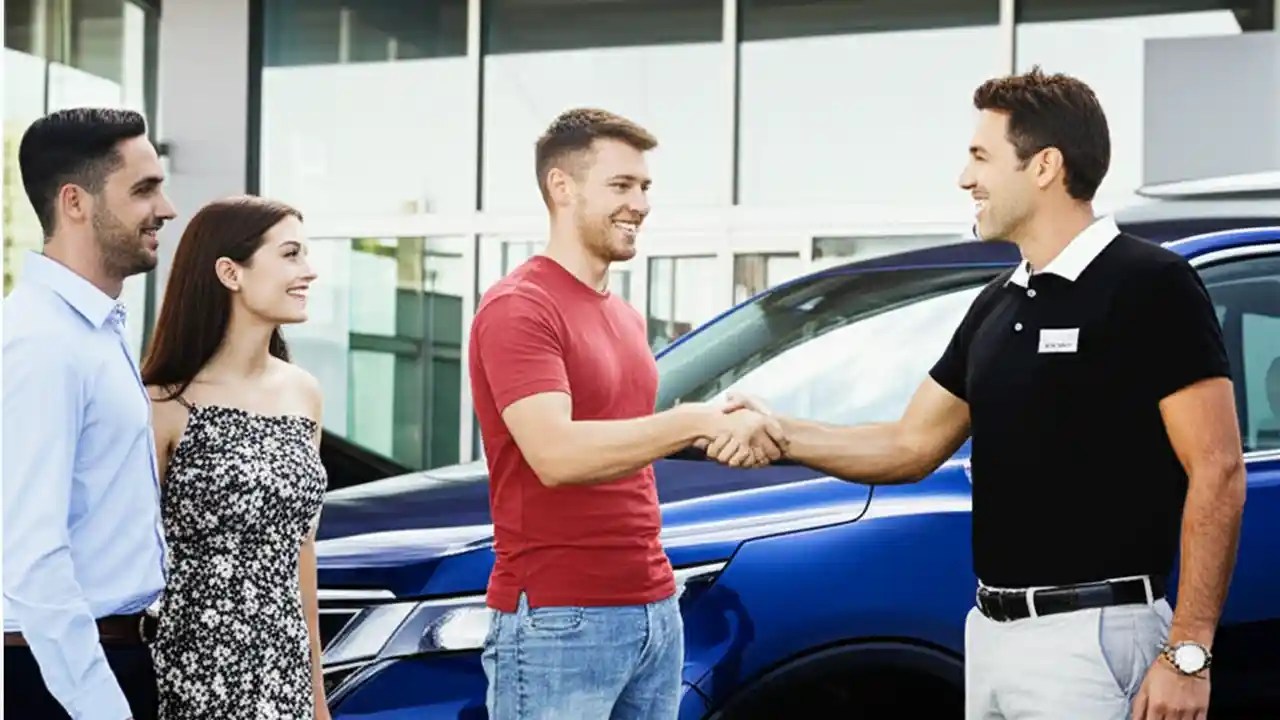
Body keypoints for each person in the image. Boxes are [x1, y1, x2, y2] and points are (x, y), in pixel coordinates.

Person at [713, 68, 1246, 720]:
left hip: (1093, 639)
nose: (965, 179)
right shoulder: (997, 304)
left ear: (1044, 166)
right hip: (989, 636)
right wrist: (778, 434)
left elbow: (1217, 469)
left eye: (980, 157)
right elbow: (909, 444)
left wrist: (1188, 652)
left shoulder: (1150, 283)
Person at [467, 107, 784, 719]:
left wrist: (721, 423)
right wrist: (691, 420)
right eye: (621, 186)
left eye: (644, 188)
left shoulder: (623, 315)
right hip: (560, 621)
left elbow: (626, 440)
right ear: (562, 187)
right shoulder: (520, 307)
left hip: (654, 605)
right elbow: (555, 455)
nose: (639, 204)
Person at [3, 107, 175, 720]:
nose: (167, 208)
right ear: (75, 202)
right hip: (58, 677)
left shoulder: (94, 330)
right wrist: (100, 706)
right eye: (144, 189)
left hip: (103, 662)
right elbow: (30, 555)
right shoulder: (41, 342)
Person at [139, 196, 330, 719]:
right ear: (230, 272)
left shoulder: (303, 392)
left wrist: (317, 697)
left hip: (285, 669)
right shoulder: (163, 402)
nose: (308, 271)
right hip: (192, 668)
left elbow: (302, 550)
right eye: (290, 254)